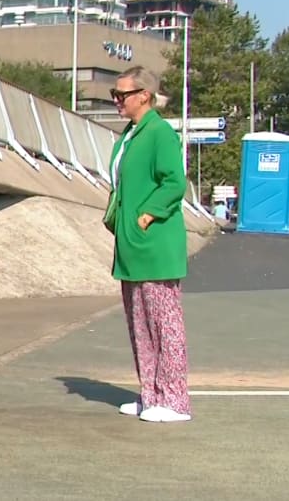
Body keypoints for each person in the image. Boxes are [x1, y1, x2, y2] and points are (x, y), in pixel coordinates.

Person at [106, 65, 192, 423]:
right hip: (131, 244)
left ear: (144, 95)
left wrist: (147, 215)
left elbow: (174, 182)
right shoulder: (131, 134)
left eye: (121, 94)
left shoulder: (159, 133)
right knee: (139, 324)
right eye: (114, 94)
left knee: (164, 324)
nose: (116, 101)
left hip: (154, 242)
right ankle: (150, 394)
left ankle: (175, 401)